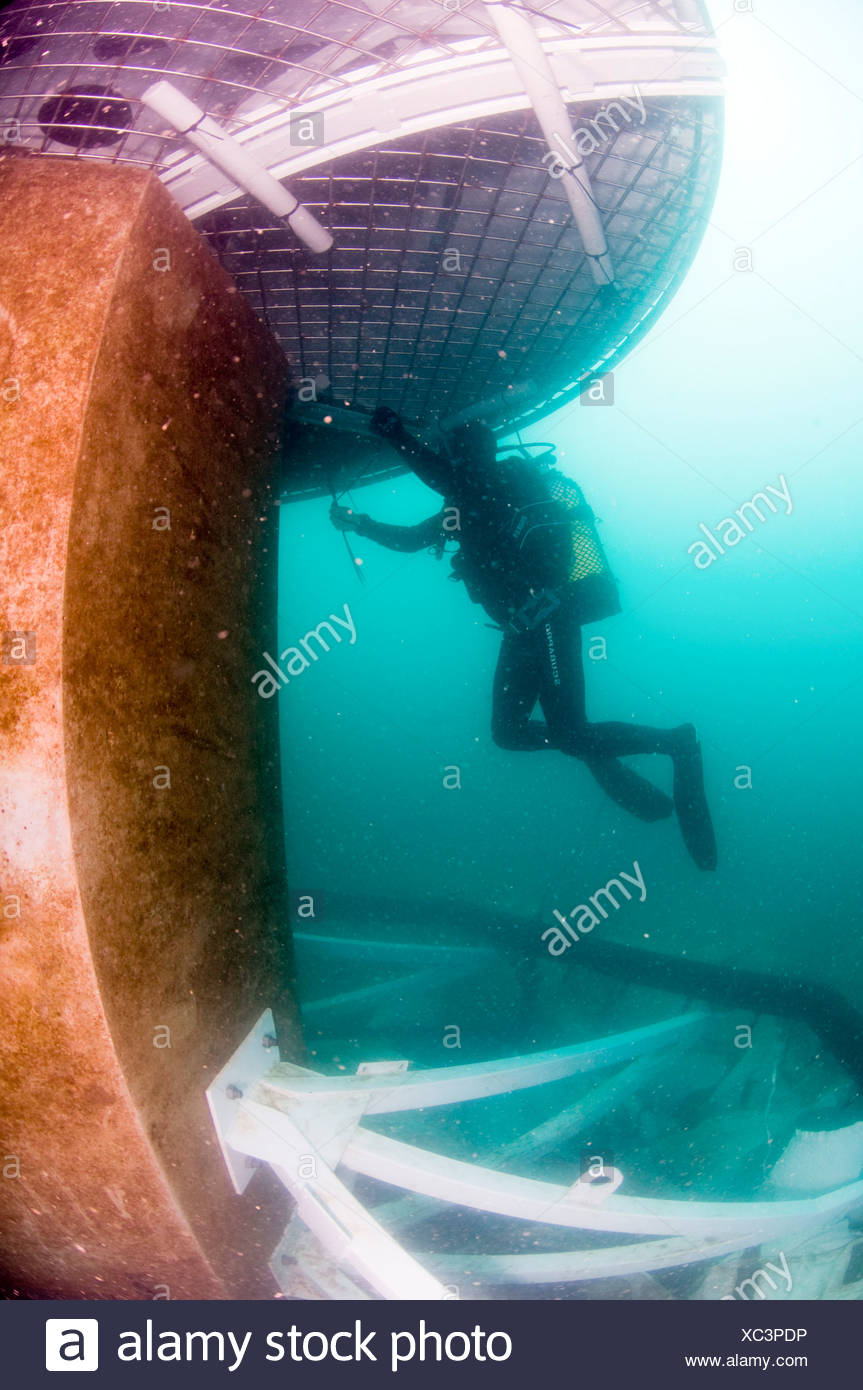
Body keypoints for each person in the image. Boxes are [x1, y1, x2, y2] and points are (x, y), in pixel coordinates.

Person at [330, 406, 717, 870]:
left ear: (475, 454)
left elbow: (438, 476)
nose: (458, 462)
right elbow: (415, 539)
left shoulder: (501, 482)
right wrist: (360, 523)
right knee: (508, 734)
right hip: (521, 631)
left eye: (461, 453)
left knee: (570, 733)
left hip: (550, 622)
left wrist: (395, 433)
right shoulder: (466, 501)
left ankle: (676, 742)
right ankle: (589, 745)